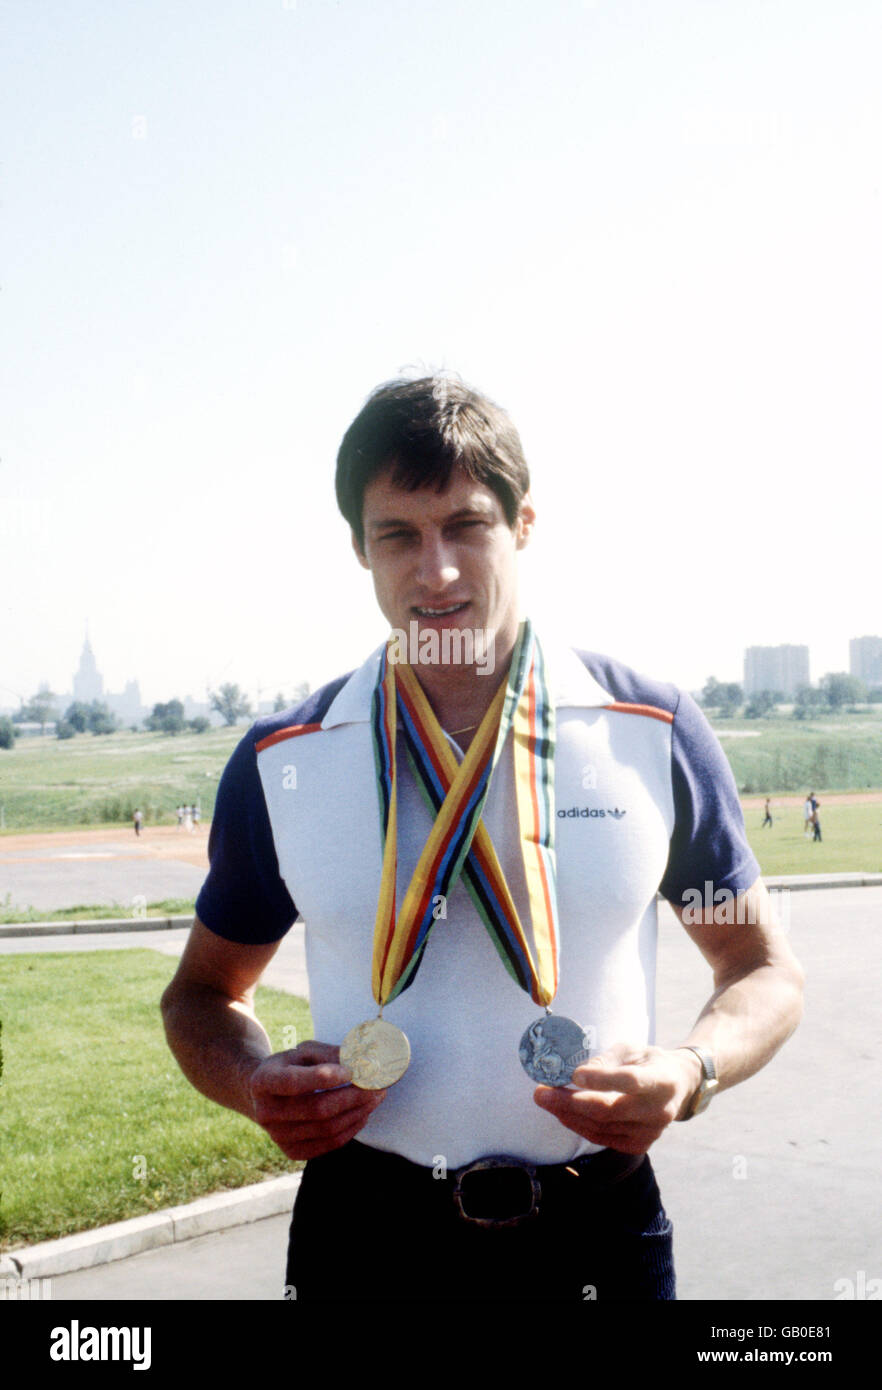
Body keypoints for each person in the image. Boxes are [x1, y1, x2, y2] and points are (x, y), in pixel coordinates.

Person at [161, 375, 804, 1303]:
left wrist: (692, 1068)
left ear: (524, 524)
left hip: (597, 1232)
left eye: (466, 525)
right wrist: (252, 1079)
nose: (437, 572)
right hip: (366, 1238)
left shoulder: (648, 727)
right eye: (399, 535)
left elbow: (761, 965)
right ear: (359, 548)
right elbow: (200, 996)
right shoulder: (285, 759)